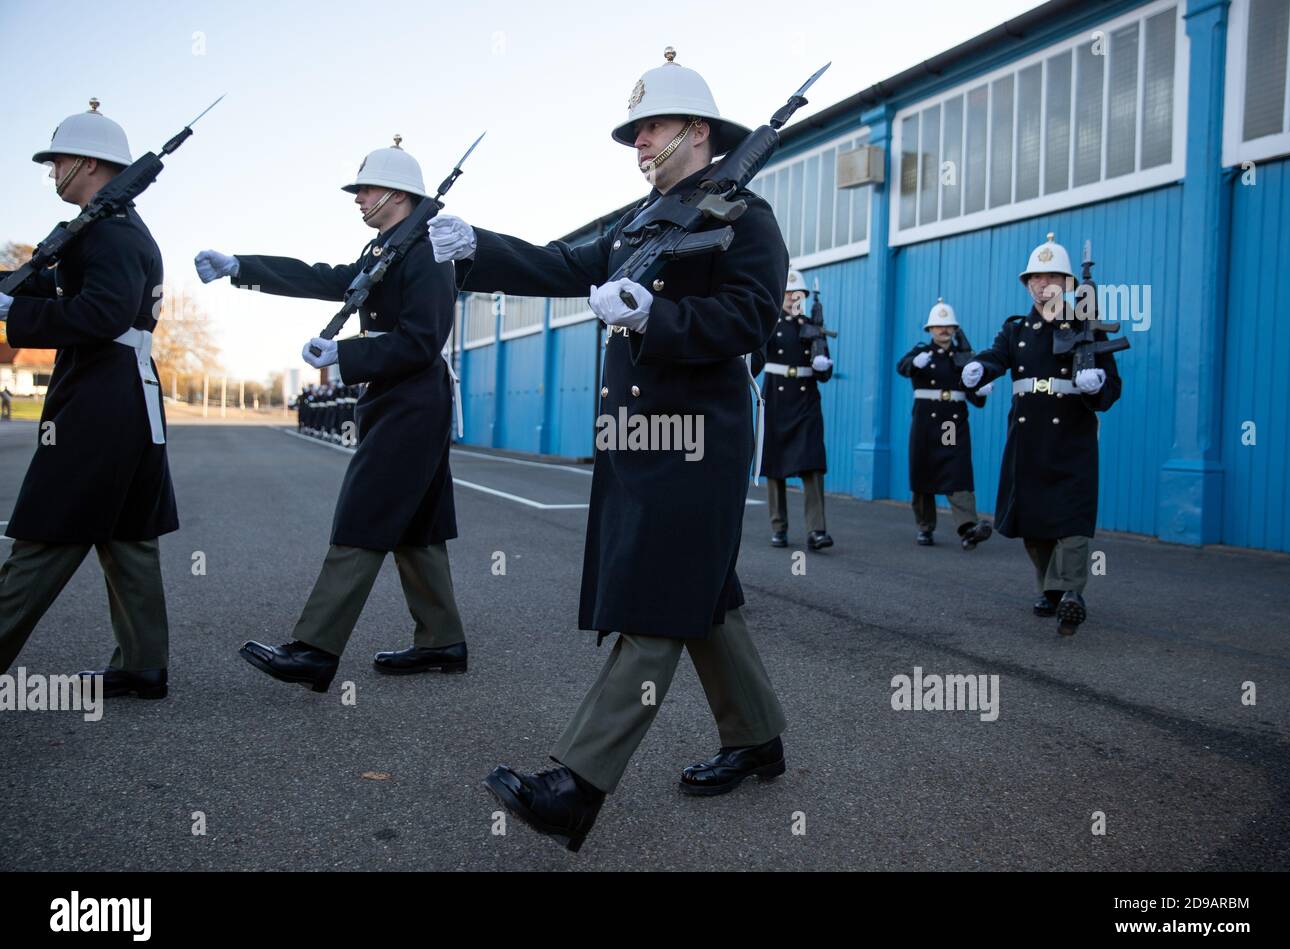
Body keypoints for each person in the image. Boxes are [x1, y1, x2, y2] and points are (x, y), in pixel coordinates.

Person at [429, 47, 789, 852]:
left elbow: (748, 322)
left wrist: (650, 319)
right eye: (634, 129)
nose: (639, 141)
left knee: (657, 605)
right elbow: (563, 263)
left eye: (653, 125)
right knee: (701, 594)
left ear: (698, 132)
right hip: (636, 439)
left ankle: (576, 785)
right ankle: (757, 736)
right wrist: (475, 247)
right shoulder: (639, 223)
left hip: (697, 443)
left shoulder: (744, 217)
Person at [194, 136, 468, 690]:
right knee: (416, 524)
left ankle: (315, 648)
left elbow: (421, 341)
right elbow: (323, 276)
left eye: (365, 187)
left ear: (396, 193)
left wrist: (348, 353)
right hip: (397, 395)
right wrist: (243, 266)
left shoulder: (427, 250)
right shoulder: (385, 249)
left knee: (365, 513)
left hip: (414, 398)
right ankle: (441, 641)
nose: (358, 197)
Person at [0, 100, 177, 696]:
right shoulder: (109, 227)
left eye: (58, 162)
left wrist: (16, 312)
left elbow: (100, 313)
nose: (53, 173)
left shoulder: (107, 231)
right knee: (127, 537)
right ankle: (141, 664)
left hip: (103, 398)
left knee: (47, 535)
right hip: (125, 395)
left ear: (87, 162)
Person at [961, 234, 1122, 636]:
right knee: (1033, 521)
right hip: (1028, 438)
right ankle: (1050, 589)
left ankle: (1072, 594)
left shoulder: (1089, 327)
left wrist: (1097, 382)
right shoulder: (1016, 329)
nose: (1043, 283)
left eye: (1053, 276)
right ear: (1027, 284)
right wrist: (977, 370)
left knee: (1072, 517)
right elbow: (995, 358)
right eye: (1036, 277)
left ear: (1068, 284)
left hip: (1071, 436)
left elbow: (1111, 389)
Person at [897, 297, 994, 548]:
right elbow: (902, 367)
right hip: (926, 421)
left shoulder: (965, 357)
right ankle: (925, 526)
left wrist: (979, 390)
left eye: (948, 326)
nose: (943, 330)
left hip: (950, 423)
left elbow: (973, 390)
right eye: (938, 326)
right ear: (930, 329)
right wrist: (913, 364)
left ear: (954, 329)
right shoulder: (920, 352)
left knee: (956, 467)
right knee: (923, 470)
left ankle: (967, 527)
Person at [755, 268, 833, 550]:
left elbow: (824, 372)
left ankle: (817, 530)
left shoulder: (813, 326)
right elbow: (754, 359)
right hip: (776, 397)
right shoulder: (769, 324)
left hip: (806, 401)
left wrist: (824, 365)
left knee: (813, 464)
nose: (792, 298)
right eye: (788, 294)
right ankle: (779, 526)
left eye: (797, 294)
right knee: (776, 465)